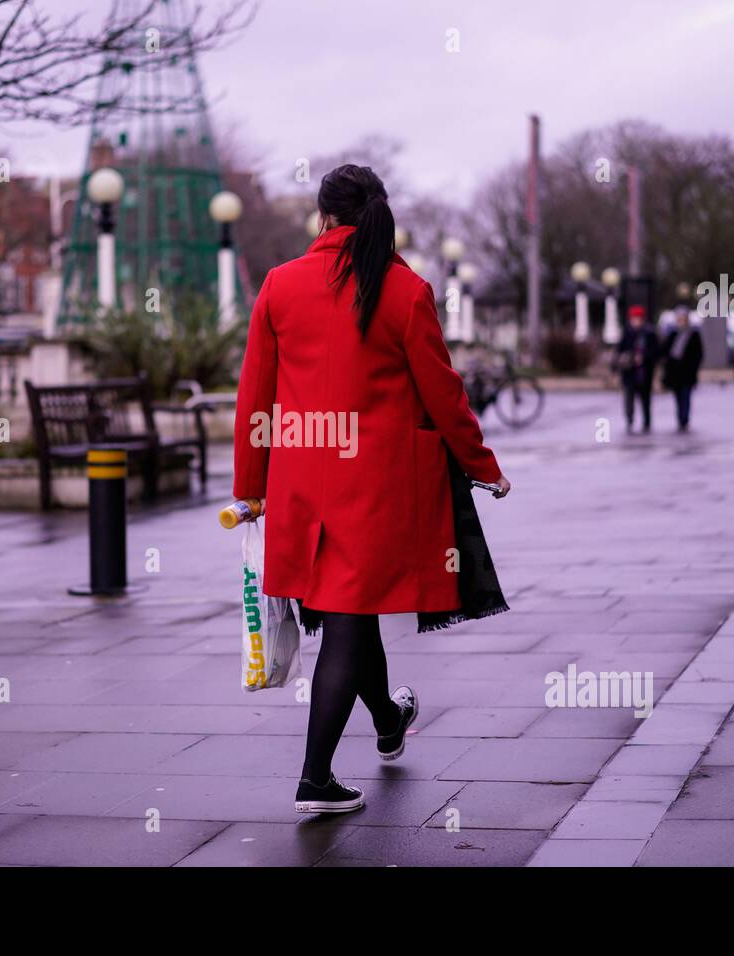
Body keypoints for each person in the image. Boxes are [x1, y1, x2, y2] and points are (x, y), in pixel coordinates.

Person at [232, 164, 511, 815]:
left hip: (302, 483)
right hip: (376, 487)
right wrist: (482, 463)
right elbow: (444, 391)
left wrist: (250, 488)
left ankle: (388, 716)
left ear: (322, 217)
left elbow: (256, 399)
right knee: (348, 620)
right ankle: (315, 778)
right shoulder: (403, 288)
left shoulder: (279, 284)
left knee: (348, 613)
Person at [613, 304, 659, 433]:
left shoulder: (649, 333)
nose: (635, 321)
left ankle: (647, 421)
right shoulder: (627, 333)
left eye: (638, 318)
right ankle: (630, 419)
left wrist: (644, 357)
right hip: (629, 371)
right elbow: (619, 350)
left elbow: (656, 352)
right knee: (629, 397)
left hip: (644, 372)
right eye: (633, 318)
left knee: (645, 399)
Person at [661, 306, 704, 431]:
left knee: (685, 396)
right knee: (677, 397)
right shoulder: (673, 334)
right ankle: (680, 418)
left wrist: (693, 367)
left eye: (683, 319)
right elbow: (665, 352)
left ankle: (684, 419)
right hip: (674, 373)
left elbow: (698, 354)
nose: (681, 322)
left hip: (687, 373)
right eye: (679, 319)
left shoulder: (694, 334)